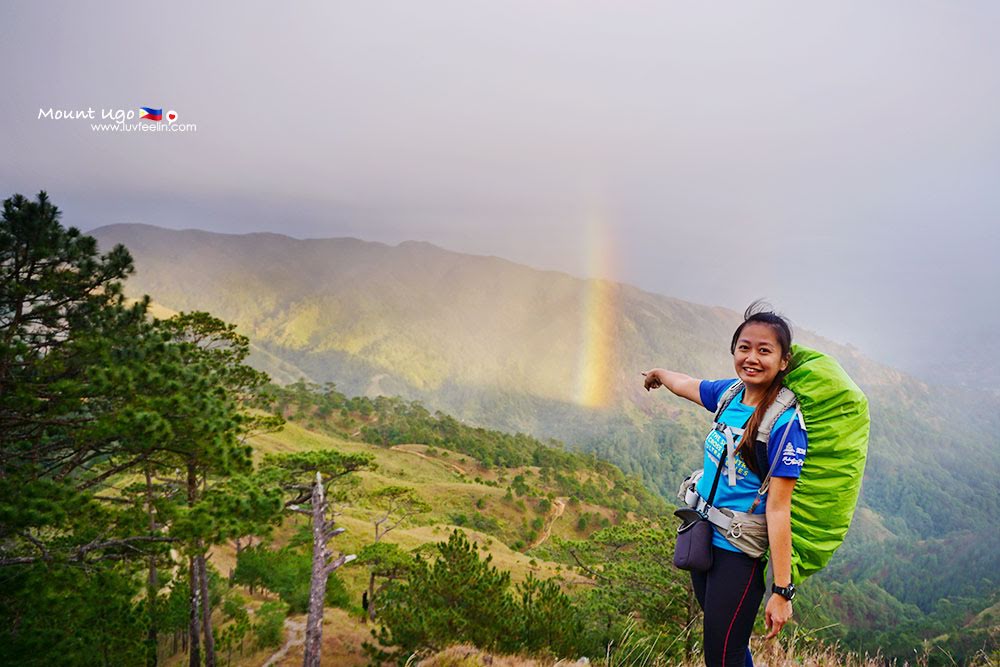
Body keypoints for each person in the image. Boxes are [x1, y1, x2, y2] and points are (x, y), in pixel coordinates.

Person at [643, 302, 807, 667]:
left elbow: (780, 510)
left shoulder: (784, 423)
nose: (752, 357)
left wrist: (782, 590)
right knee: (727, 647)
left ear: (783, 361)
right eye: (744, 347)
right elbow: (688, 385)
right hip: (703, 537)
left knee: (721, 654)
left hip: (737, 551)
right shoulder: (731, 394)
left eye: (765, 350)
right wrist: (659, 374)